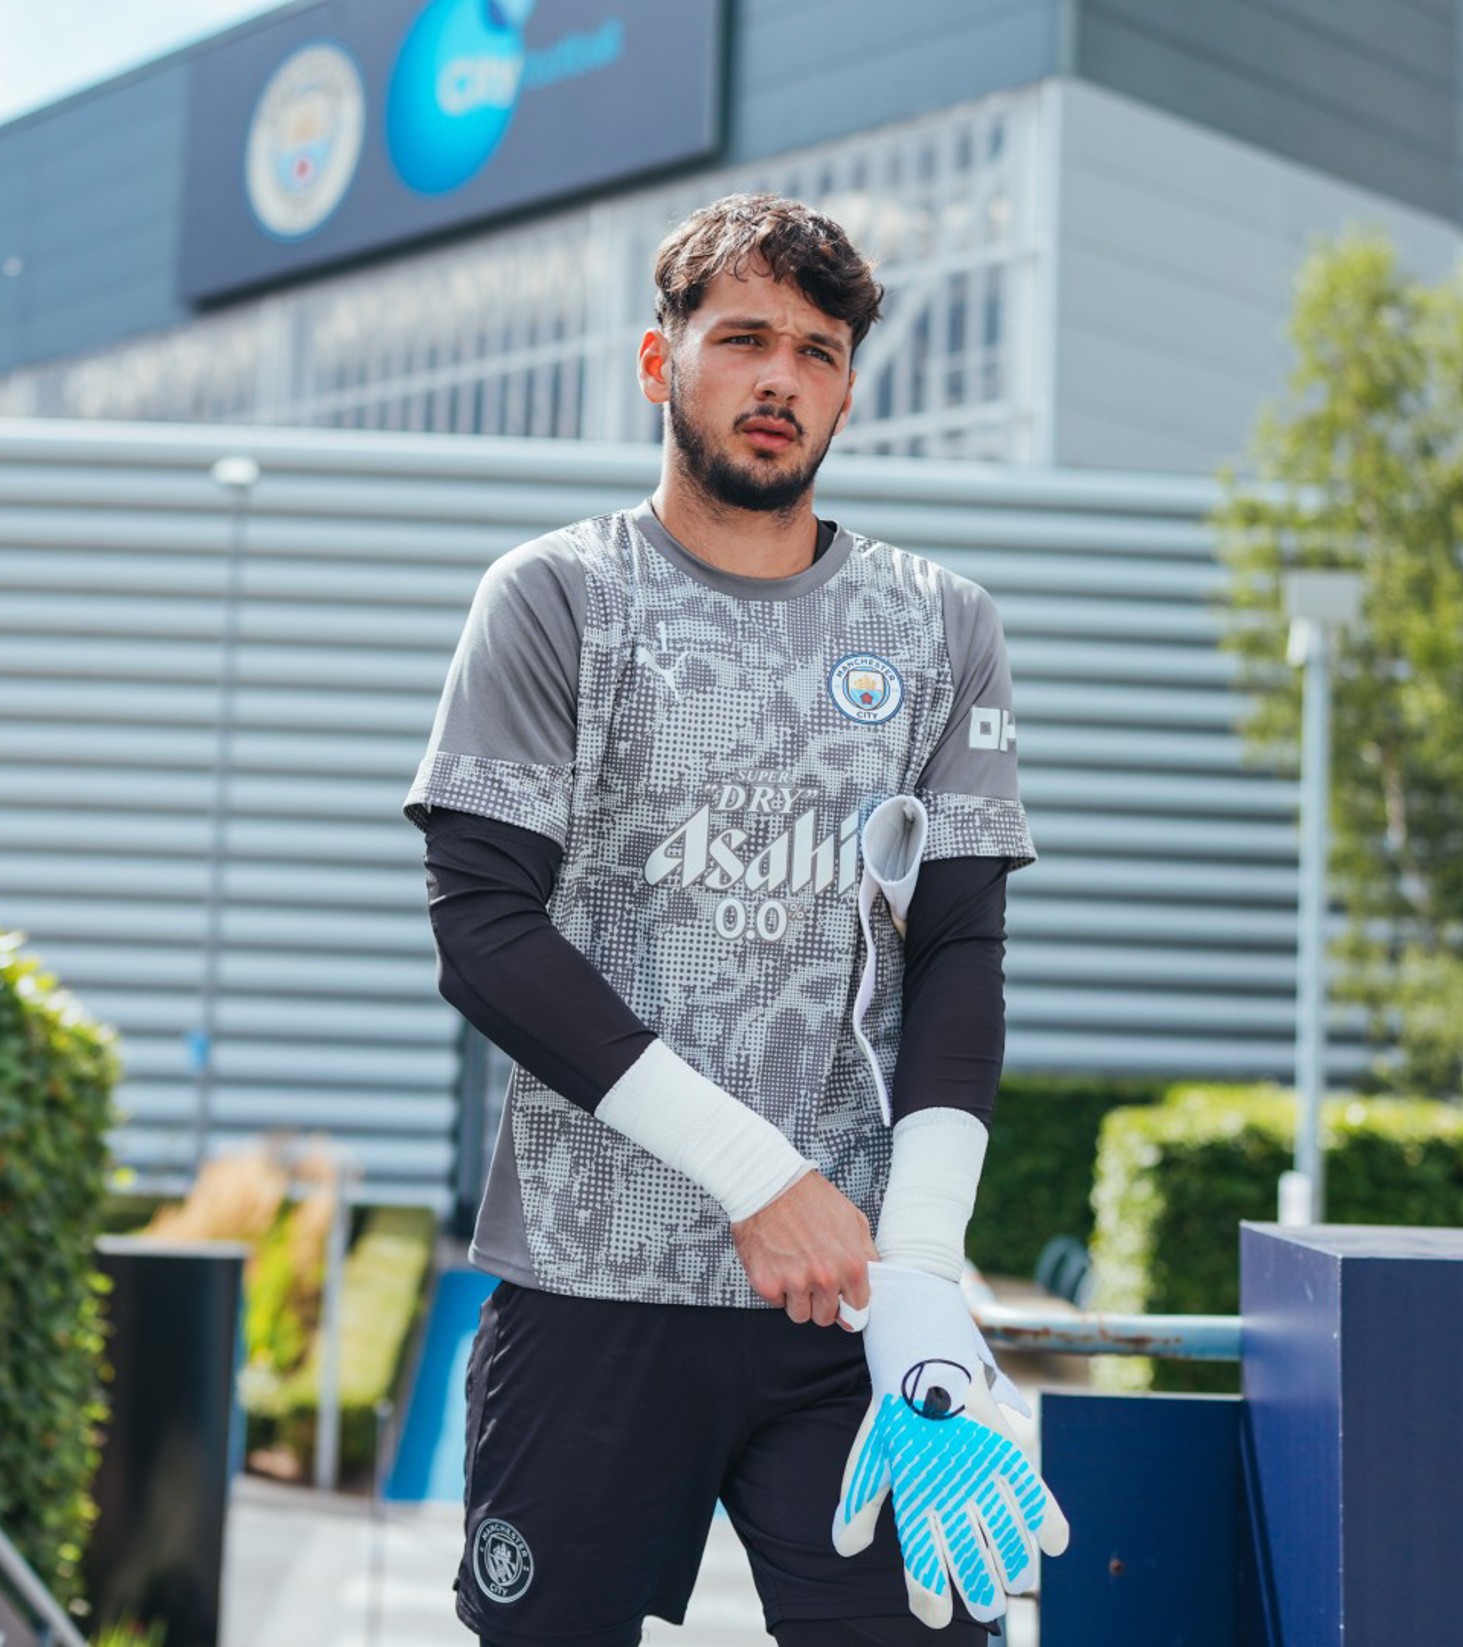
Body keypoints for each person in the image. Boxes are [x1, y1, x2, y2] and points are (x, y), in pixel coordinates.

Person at [405, 193, 1064, 1647]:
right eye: (743, 338)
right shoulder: (558, 597)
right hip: (591, 1284)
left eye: (818, 353)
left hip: (850, 1313)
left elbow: (960, 950)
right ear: (661, 363)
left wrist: (924, 1276)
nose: (780, 380)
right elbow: (485, 931)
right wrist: (757, 1179)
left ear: (845, 387)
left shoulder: (942, 626)